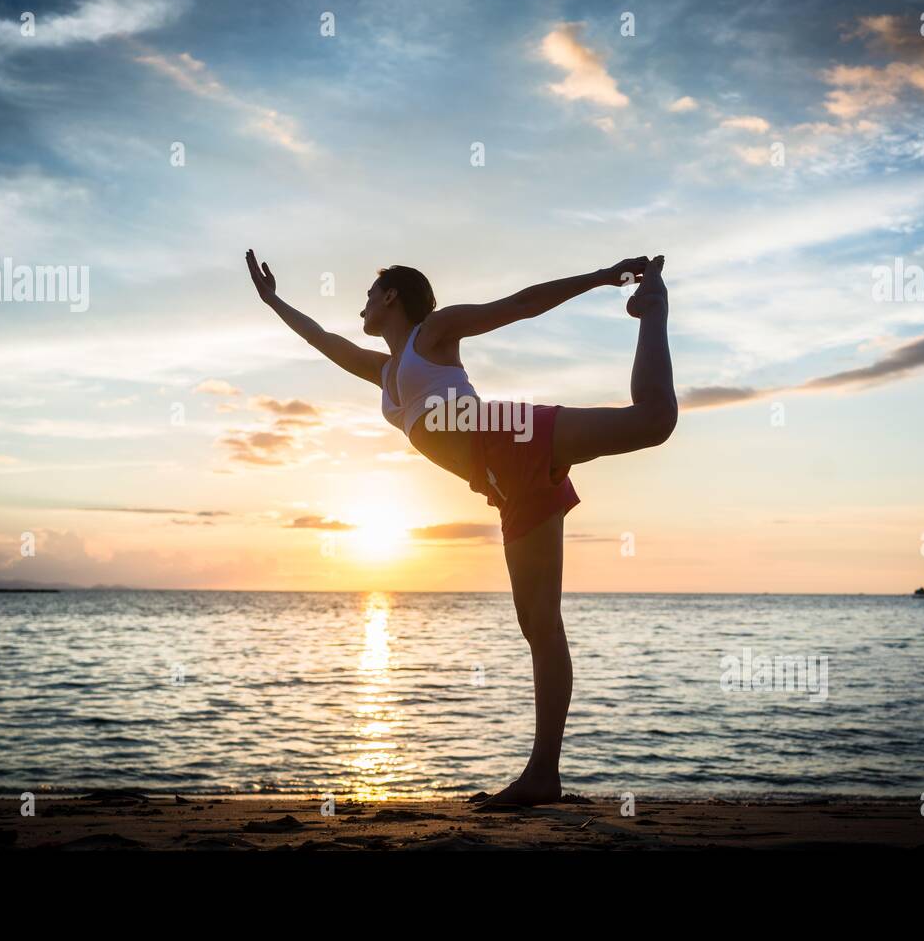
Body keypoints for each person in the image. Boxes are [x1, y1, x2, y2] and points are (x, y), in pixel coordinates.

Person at [245, 249, 677, 806]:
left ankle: (654, 308)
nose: (363, 307)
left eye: (370, 296)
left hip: (504, 435)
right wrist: (273, 299)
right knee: (540, 625)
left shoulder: (436, 332)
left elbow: (519, 305)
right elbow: (321, 339)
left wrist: (600, 278)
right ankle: (544, 776)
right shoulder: (385, 370)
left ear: (392, 296)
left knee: (652, 421)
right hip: (501, 482)